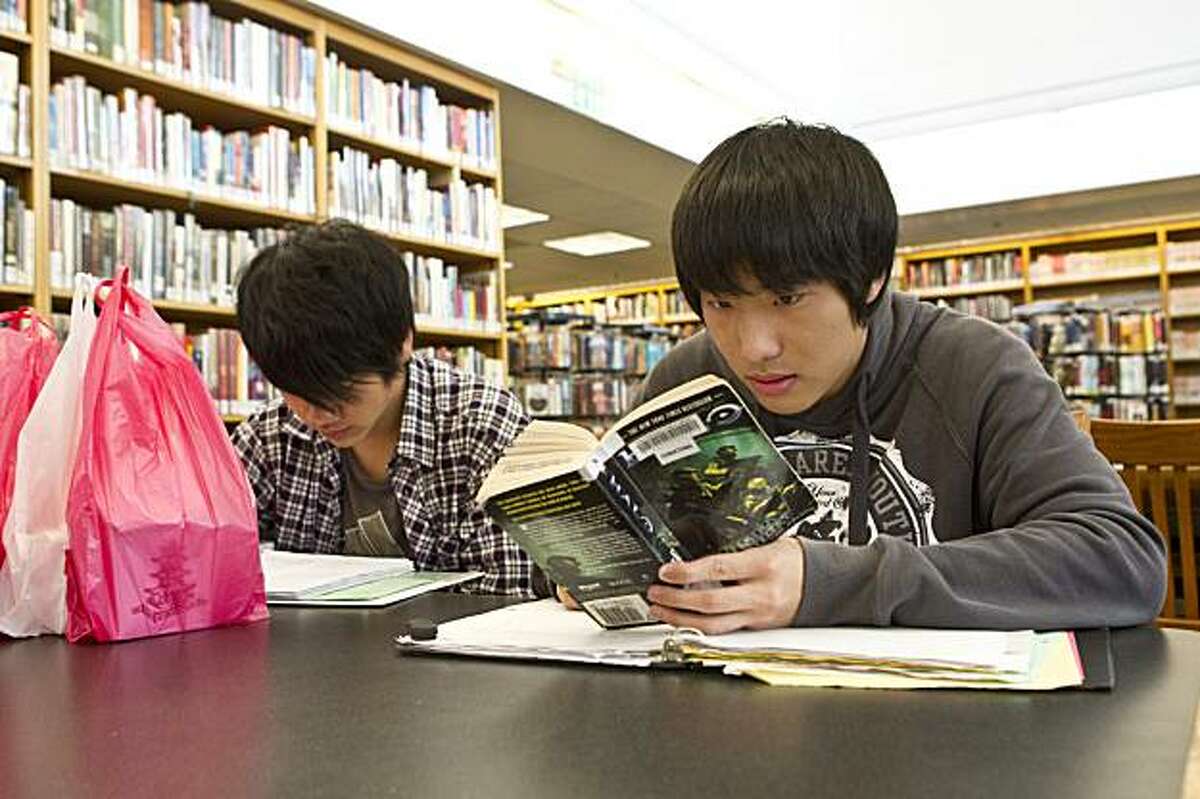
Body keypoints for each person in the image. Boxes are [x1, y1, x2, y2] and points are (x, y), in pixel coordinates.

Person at [634, 118, 1166, 633]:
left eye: (788, 298)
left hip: (939, 718)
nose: (754, 348)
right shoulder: (687, 380)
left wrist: (834, 582)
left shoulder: (976, 367)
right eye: (721, 303)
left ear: (871, 280)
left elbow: (1119, 560)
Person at [231, 219, 541, 596]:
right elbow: (213, 570)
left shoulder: (481, 425)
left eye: (341, 390)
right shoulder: (267, 440)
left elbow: (509, 599)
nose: (318, 415)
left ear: (402, 343)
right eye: (297, 391)